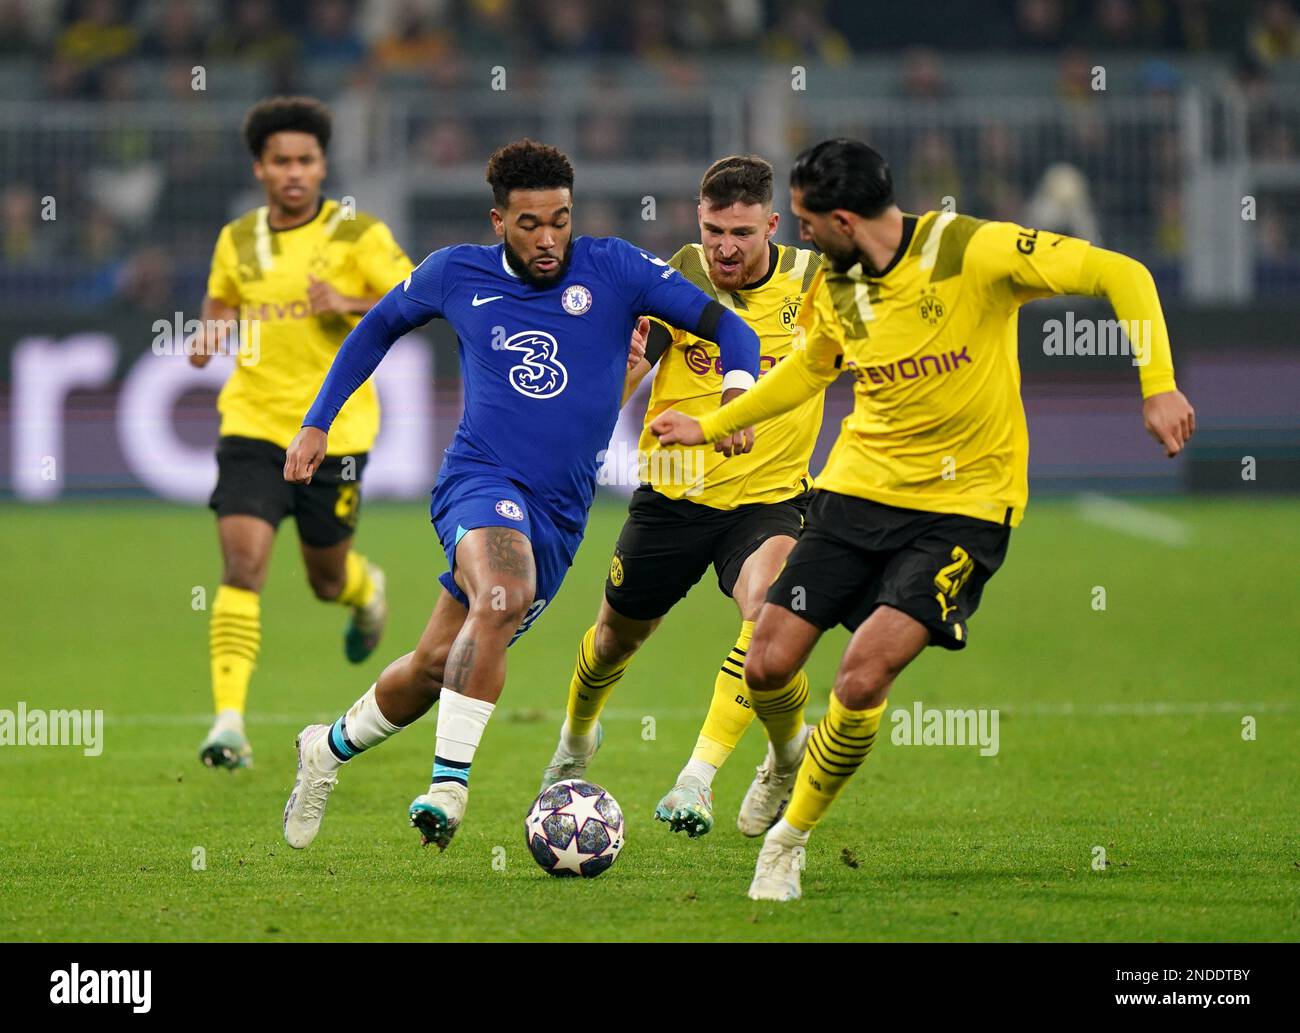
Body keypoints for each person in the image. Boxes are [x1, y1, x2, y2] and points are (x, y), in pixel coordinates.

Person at [651, 138, 1196, 900]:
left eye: (805, 221)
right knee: (770, 661)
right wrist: (709, 426)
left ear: (843, 217)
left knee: (862, 671)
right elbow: (810, 367)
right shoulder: (835, 282)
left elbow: (1122, 272)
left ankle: (788, 839)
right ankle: (783, 762)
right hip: (856, 492)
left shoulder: (972, 250)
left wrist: (1158, 384)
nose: (799, 236)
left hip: (963, 508)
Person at [279, 139, 762, 853]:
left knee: (437, 664)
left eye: (560, 220)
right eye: (531, 224)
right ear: (498, 219)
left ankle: (325, 749)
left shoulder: (617, 268)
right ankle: (448, 784)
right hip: (478, 481)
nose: (548, 239)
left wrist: (734, 393)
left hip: (561, 514)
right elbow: (376, 327)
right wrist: (317, 422)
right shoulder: (456, 274)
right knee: (502, 591)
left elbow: (732, 328)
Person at [537, 154, 827, 841]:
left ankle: (703, 777)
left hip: (769, 500)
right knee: (613, 639)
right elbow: (634, 362)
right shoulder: (683, 276)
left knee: (768, 614)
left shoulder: (817, 283)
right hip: (672, 498)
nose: (725, 246)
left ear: (773, 226)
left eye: (741, 232)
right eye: (713, 229)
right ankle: (578, 736)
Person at [191, 96, 413, 770]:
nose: (294, 172)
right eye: (281, 161)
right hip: (253, 424)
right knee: (242, 564)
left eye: (306, 160)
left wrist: (346, 302)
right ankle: (228, 722)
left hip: (334, 432)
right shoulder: (237, 239)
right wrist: (210, 331)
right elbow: (220, 302)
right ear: (260, 168)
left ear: (322, 166)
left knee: (324, 576)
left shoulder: (357, 234)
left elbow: (415, 302)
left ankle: (362, 589)